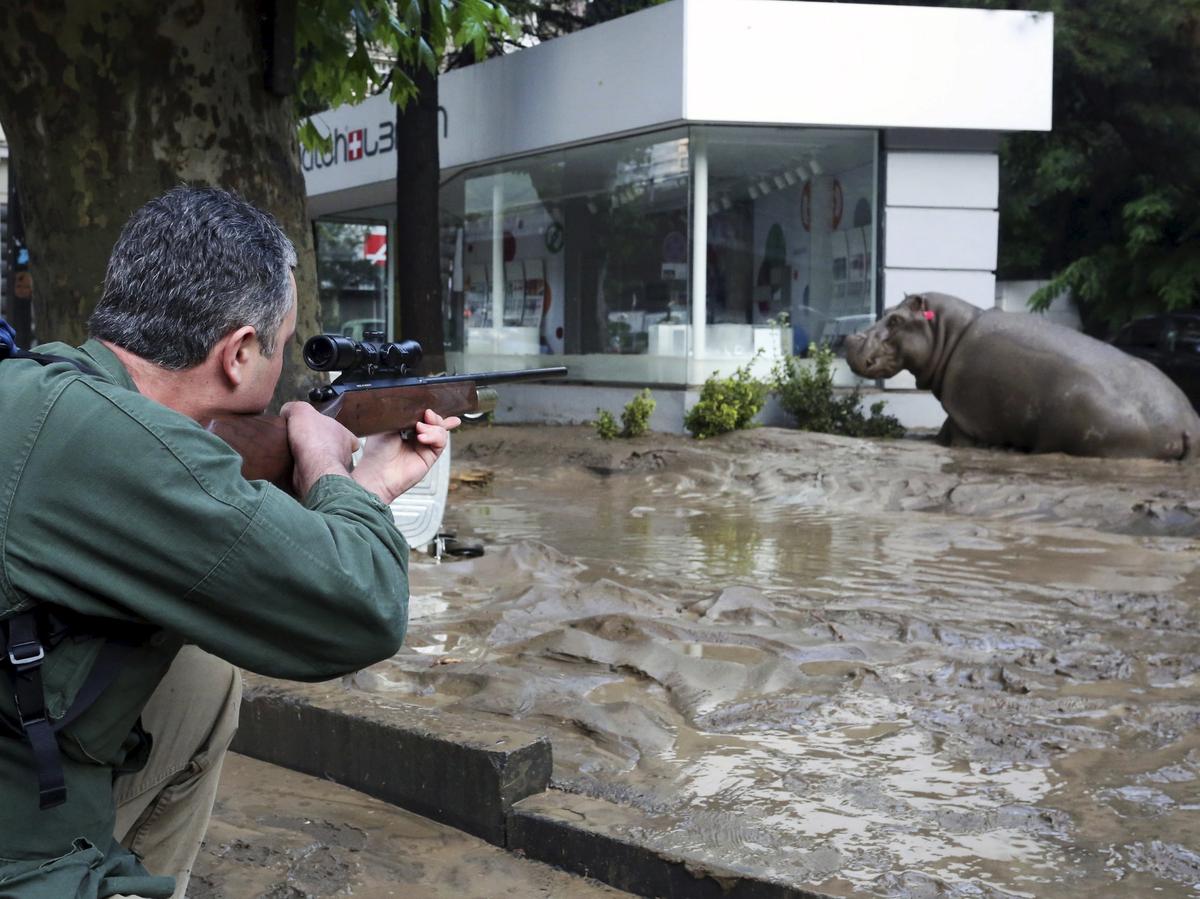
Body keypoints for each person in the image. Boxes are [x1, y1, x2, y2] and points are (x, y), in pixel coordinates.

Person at [0, 186, 458, 898]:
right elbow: (364, 604)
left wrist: (346, 475)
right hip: (15, 836)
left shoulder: (46, 386)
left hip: (23, 750)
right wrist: (333, 469)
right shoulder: (125, 454)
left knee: (200, 684)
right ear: (241, 352)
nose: (284, 377)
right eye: (282, 345)